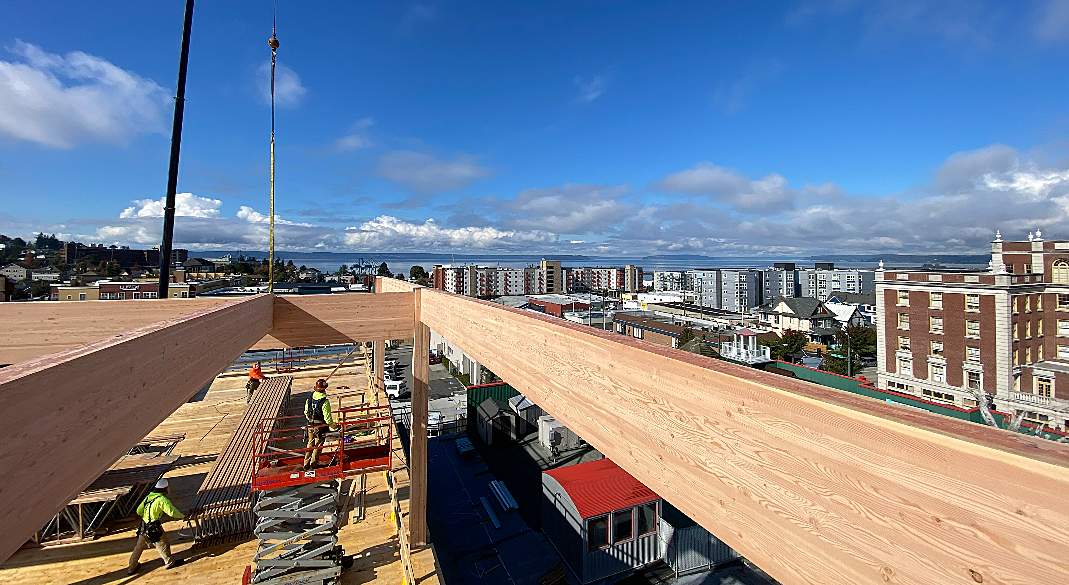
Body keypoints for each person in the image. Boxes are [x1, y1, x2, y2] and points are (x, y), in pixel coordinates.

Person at [128, 478, 185, 575]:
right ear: (165, 489)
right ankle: (169, 562)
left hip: (144, 526)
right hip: (154, 527)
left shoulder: (148, 497)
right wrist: (183, 516)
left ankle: (132, 567)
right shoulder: (162, 500)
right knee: (162, 544)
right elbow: (172, 512)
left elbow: (139, 511)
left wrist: (148, 515)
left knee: (139, 547)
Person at [304, 379, 337, 470]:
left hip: (310, 424)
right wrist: (335, 427)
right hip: (320, 427)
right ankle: (313, 464)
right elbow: (327, 419)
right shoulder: (324, 402)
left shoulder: (309, 399)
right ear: (324, 389)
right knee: (318, 445)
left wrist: (310, 420)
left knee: (310, 443)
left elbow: (306, 412)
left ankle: (305, 463)